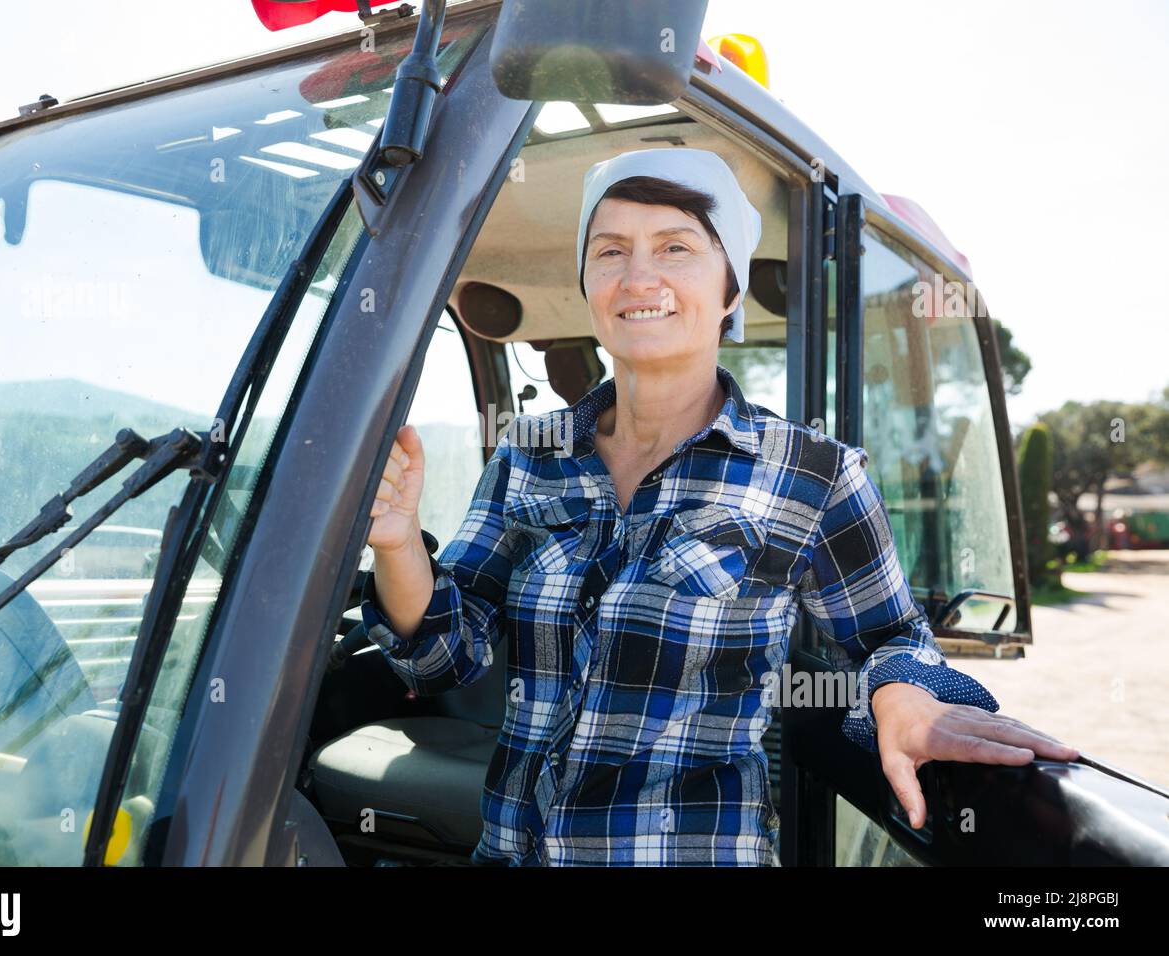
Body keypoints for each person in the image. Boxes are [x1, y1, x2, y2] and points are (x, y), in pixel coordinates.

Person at [359, 147, 1078, 866]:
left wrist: (903, 694)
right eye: (610, 251)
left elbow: (893, 639)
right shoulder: (527, 453)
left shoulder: (814, 475)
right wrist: (396, 546)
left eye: (676, 247)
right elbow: (443, 659)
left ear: (730, 289)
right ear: (588, 283)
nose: (640, 277)